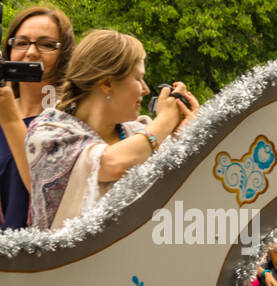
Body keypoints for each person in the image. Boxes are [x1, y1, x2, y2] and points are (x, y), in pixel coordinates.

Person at [25, 29, 196, 229]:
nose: (146, 89)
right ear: (107, 83)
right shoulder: (47, 134)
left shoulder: (138, 131)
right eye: (138, 78)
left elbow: (181, 193)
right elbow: (110, 164)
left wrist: (185, 135)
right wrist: (166, 119)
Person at [1, 5, 75, 229]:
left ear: (65, 56)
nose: (31, 53)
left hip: (41, 258)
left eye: (46, 44)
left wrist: (10, 120)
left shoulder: (72, 120)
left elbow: (49, 199)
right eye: (22, 43)